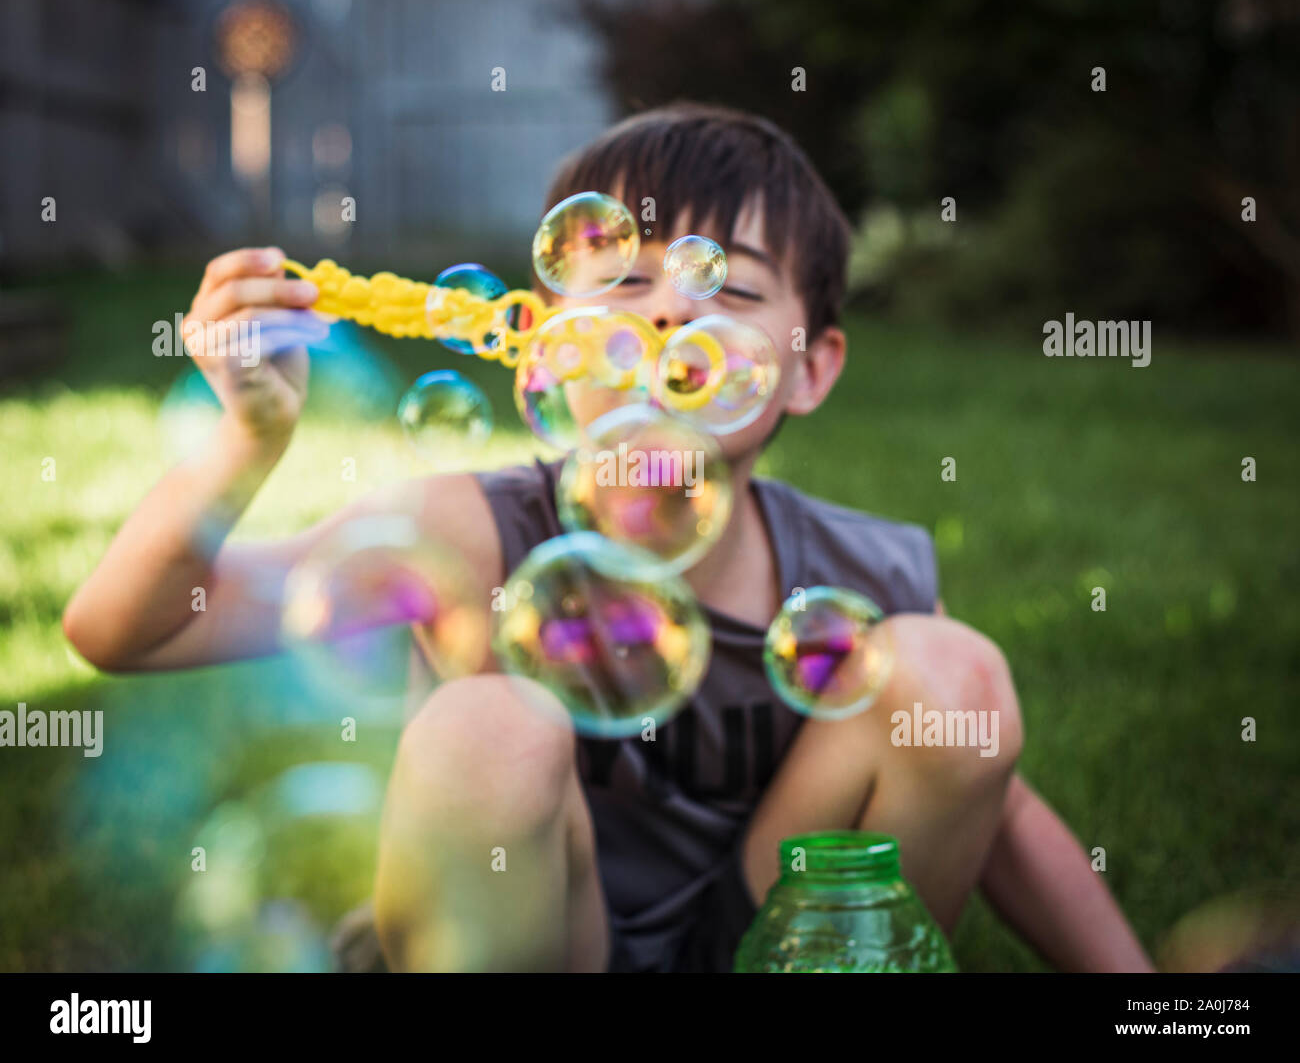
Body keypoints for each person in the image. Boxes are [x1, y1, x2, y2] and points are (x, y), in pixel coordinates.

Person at [64, 102, 1153, 973]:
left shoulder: (863, 576)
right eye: (625, 279)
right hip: (533, 931)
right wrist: (241, 443)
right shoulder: (469, 532)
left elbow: (988, 790)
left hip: (764, 937)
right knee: (486, 720)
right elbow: (129, 629)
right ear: (544, 337)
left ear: (810, 366)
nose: (669, 313)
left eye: (722, 281)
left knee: (954, 677)